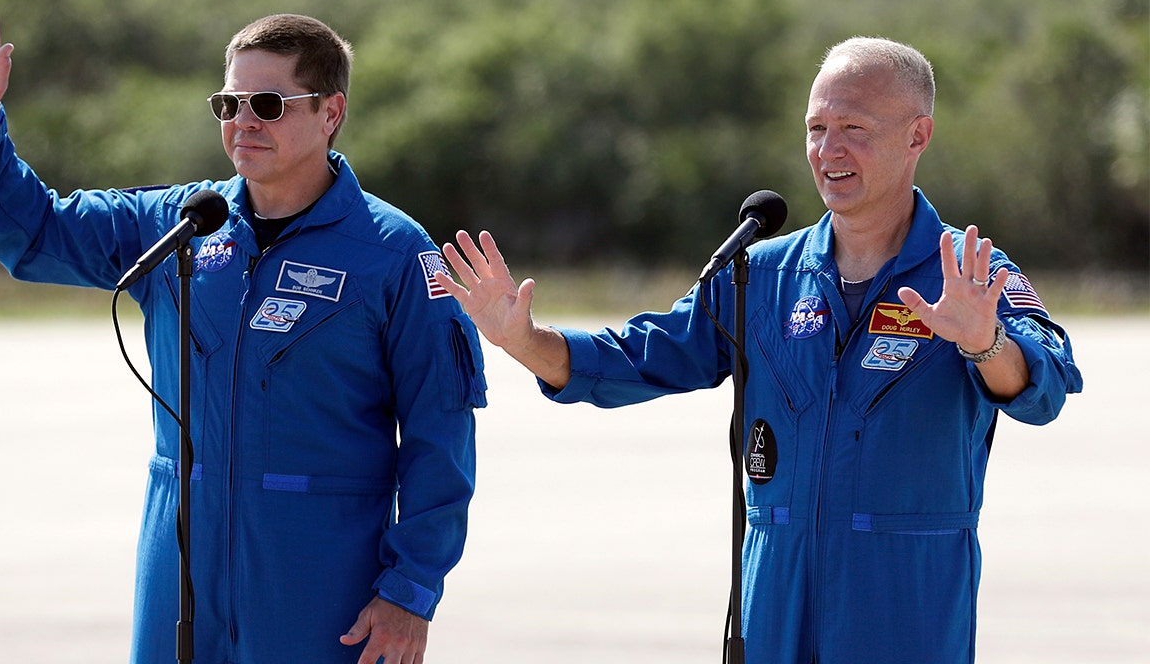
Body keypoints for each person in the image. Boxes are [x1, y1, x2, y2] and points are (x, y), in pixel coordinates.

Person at [437, 37, 1083, 663]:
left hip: (904, 605)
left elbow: (1046, 386)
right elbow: (639, 357)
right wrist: (523, 340)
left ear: (918, 135)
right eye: (816, 127)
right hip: (773, 603)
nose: (829, 149)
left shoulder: (968, 276)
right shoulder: (760, 275)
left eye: (854, 127)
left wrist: (982, 340)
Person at [0, 0, 486, 664]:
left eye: (269, 105)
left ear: (330, 113)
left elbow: (441, 437)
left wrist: (410, 590)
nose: (243, 122)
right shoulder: (177, 226)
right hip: (180, 573)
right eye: (228, 105)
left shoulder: (395, 255)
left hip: (320, 580)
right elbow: (32, 231)